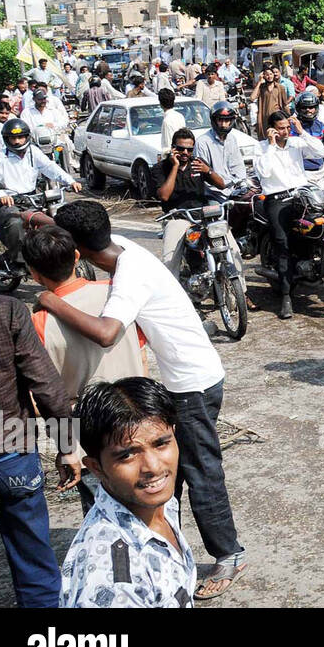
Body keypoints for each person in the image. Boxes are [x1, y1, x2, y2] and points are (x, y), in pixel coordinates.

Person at [41, 200, 247, 600]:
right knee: (172, 477)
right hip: (184, 378)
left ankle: (229, 555)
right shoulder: (120, 245)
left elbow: (106, 333)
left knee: (199, 470)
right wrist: (33, 218)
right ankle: (172, 547)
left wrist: (52, 301)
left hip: (192, 385)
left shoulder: (129, 277)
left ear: (79, 251)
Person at [25, 224, 147, 513]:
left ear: (33, 273)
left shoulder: (40, 323)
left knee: (104, 521)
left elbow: (43, 397)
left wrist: (66, 447)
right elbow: (142, 362)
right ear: (77, 256)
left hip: (89, 441)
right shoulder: (117, 296)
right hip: (139, 420)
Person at [0, 285, 78, 607]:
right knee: (36, 564)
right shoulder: (5, 309)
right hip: (11, 455)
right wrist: (66, 446)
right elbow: (47, 385)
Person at [59, 377, 196, 607]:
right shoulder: (116, 585)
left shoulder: (156, 503)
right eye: (127, 455)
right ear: (95, 468)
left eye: (161, 443)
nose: (153, 467)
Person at [256, 110, 324, 318]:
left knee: (320, 228)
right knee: (283, 244)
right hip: (276, 199)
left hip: (301, 196)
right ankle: (286, 296)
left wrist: (301, 131)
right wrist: (271, 145)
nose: (286, 132)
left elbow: (320, 152)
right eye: (281, 128)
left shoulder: (296, 143)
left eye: (287, 127)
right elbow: (265, 172)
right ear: (271, 129)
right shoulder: (261, 148)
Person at [0, 118, 80, 270]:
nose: (17, 141)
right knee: (15, 223)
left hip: (31, 199)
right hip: (8, 202)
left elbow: (50, 167)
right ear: (6, 139)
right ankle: (18, 262)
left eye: (20, 137)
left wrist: (70, 181)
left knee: (55, 220)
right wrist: (1, 195)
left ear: (27, 137)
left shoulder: (33, 152)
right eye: (13, 138)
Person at [157, 128, 224, 276]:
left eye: (189, 149)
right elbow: (164, 196)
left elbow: (221, 185)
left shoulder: (198, 164)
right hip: (177, 218)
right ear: (173, 148)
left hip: (202, 216)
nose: (185, 153)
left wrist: (208, 171)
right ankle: (172, 295)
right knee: (170, 260)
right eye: (181, 149)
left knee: (230, 246)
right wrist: (175, 166)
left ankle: (238, 293)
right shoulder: (161, 168)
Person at [195, 101, 254, 198]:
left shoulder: (232, 139)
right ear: (214, 120)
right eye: (220, 120)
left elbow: (238, 167)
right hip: (213, 193)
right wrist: (226, 185)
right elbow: (204, 176)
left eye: (227, 121)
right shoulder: (202, 142)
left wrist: (240, 185)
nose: (223, 124)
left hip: (234, 190)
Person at [252, 65, 289, 139]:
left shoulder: (280, 88)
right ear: (264, 76)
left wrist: (288, 117)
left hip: (276, 117)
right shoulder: (261, 87)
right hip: (264, 118)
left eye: (271, 74)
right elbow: (252, 98)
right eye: (267, 74)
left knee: (278, 136)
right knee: (265, 138)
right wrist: (259, 81)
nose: (269, 76)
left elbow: (285, 104)